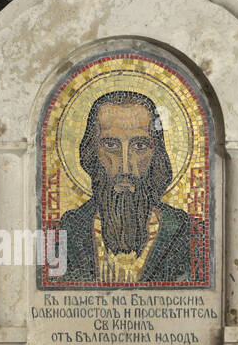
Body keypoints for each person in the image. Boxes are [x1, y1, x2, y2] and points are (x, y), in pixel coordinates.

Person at [59, 90, 191, 284]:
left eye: (139, 146)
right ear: (92, 152)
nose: (126, 166)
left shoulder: (185, 234)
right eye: (111, 145)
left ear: (156, 154)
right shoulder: (66, 232)